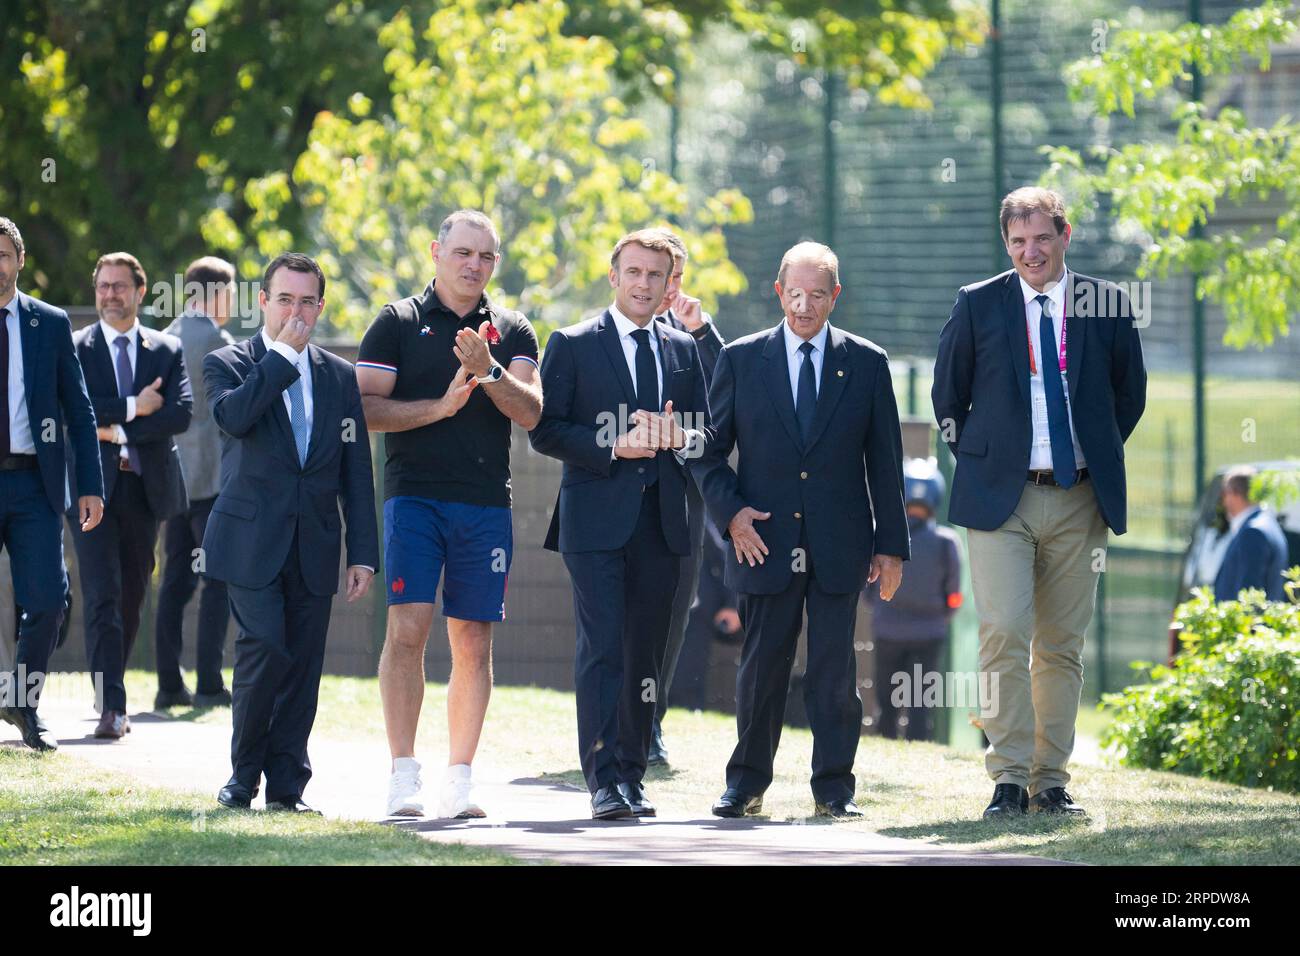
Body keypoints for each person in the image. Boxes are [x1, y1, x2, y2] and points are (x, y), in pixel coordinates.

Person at [932, 186, 1147, 819]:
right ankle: (1007, 778)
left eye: (1042, 239)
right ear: (1007, 244)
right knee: (1003, 632)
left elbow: (1126, 398)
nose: (1031, 252)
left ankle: (1050, 782)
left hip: (1080, 499)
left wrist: (1091, 455)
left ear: (1065, 235)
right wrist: (985, 463)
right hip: (1002, 500)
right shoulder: (978, 304)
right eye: (1018, 241)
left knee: (1060, 645)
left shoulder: (1106, 305)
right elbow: (949, 398)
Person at [692, 241, 909, 819]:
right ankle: (745, 785)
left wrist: (891, 547)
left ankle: (835, 789)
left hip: (841, 546)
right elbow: (707, 455)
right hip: (764, 544)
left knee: (835, 673)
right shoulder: (740, 359)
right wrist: (732, 515)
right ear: (778, 291)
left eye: (817, 295)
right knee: (762, 667)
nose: (804, 306)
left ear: (834, 296)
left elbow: (884, 464)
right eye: (795, 293)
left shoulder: (866, 363)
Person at [358, 210, 542, 819]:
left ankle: (459, 781)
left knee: (473, 642)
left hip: (486, 503)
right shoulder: (397, 321)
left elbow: (532, 412)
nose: (474, 265)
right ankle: (403, 777)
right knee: (406, 632)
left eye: (486, 257)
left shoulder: (512, 330)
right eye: (463, 253)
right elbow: (364, 410)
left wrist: (486, 371)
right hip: (413, 498)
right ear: (437, 251)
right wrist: (437, 409)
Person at [530, 229, 710, 820]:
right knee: (603, 648)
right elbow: (546, 429)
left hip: (662, 524)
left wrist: (680, 438)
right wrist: (617, 445)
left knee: (645, 657)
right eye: (633, 272)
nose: (643, 284)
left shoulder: (683, 350)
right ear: (614, 276)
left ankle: (633, 776)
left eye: (655, 276)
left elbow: (708, 431)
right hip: (595, 525)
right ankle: (604, 780)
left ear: (668, 284)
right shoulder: (574, 343)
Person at [204, 253, 377, 813]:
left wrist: (364, 554)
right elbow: (234, 418)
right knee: (264, 651)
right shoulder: (227, 362)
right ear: (262, 302)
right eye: (285, 300)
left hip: (316, 546)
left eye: (307, 302)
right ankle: (241, 778)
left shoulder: (340, 377)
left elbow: (356, 472)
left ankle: (287, 787)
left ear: (321, 306)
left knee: (302, 666)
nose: (296, 312)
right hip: (249, 544)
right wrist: (281, 357)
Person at [67, 252, 192, 741]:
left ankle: (107, 685)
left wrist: (115, 432)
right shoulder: (76, 348)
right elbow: (73, 408)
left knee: (133, 595)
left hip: (144, 489)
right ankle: (113, 707)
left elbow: (179, 414)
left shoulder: (167, 349)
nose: (110, 294)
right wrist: (133, 408)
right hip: (90, 491)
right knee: (101, 593)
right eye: (103, 286)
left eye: (120, 286)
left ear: (140, 292)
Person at [0, 217, 103, 752]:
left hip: (33, 486)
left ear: (18, 260)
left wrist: (90, 484)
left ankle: (24, 703)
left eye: (2, 255)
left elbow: (81, 411)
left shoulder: (49, 323)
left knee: (46, 601)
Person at [647, 228, 726, 766]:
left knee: (675, 611)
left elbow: (729, 397)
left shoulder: (694, 333)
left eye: (674, 275)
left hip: (683, 495)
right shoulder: (611, 327)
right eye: (655, 273)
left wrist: (702, 331)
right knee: (617, 615)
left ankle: (650, 725)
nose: (665, 285)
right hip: (619, 492)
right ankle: (613, 721)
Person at [154, 256, 238, 709]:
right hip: (213, 481)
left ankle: (169, 683)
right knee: (217, 581)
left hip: (172, 479)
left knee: (174, 581)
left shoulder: (164, 338)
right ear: (217, 294)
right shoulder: (221, 342)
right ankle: (208, 681)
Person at [867, 458, 962, 742]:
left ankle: (886, 739)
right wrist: (942, 615)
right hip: (930, 632)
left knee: (887, 696)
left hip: (887, 630)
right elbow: (954, 594)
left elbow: (868, 588)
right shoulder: (947, 542)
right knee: (921, 698)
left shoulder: (880, 537)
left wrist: (882, 608)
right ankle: (919, 741)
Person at [1214, 466, 1288, 602]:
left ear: (1233, 493)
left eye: (1224, 495)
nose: (1223, 502)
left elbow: (1249, 596)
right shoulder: (1267, 523)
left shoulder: (1253, 532)